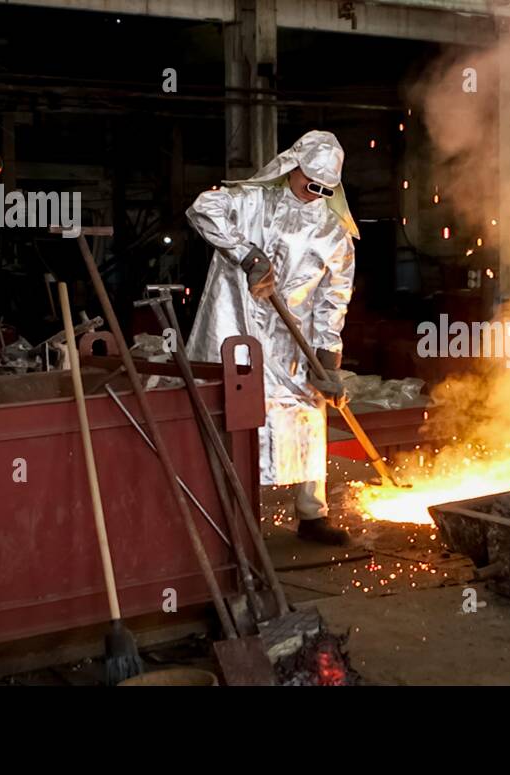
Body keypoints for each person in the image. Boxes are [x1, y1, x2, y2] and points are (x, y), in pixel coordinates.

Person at [186, 130, 361, 545]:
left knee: (307, 412)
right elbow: (201, 208)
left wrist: (328, 358)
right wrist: (246, 254)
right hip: (235, 328)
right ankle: (232, 514)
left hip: (291, 338)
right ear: (291, 167)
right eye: (309, 183)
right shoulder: (250, 203)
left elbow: (332, 299)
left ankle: (311, 514)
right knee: (234, 415)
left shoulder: (333, 234)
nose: (314, 193)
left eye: (324, 188)